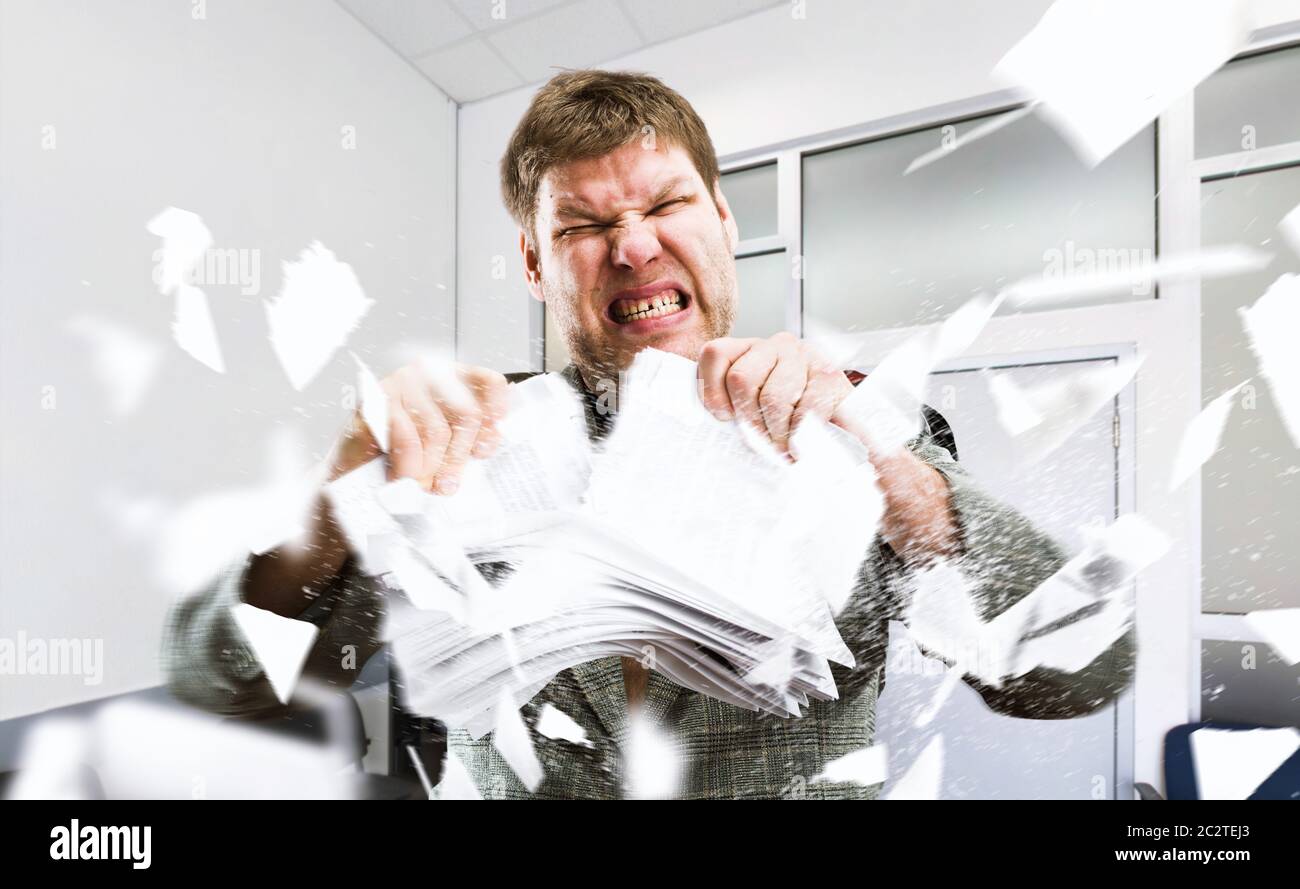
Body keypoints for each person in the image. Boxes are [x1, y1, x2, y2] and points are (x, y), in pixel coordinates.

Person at [164, 69, 1135, 800]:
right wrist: (338, 501)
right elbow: (222, 686)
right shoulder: (457, 445)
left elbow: (1080, 674)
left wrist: (885, 470)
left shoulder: (867, 426)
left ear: (718, 217)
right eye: (582, 223)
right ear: (536, 263)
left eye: (665, 204)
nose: (632, 246)